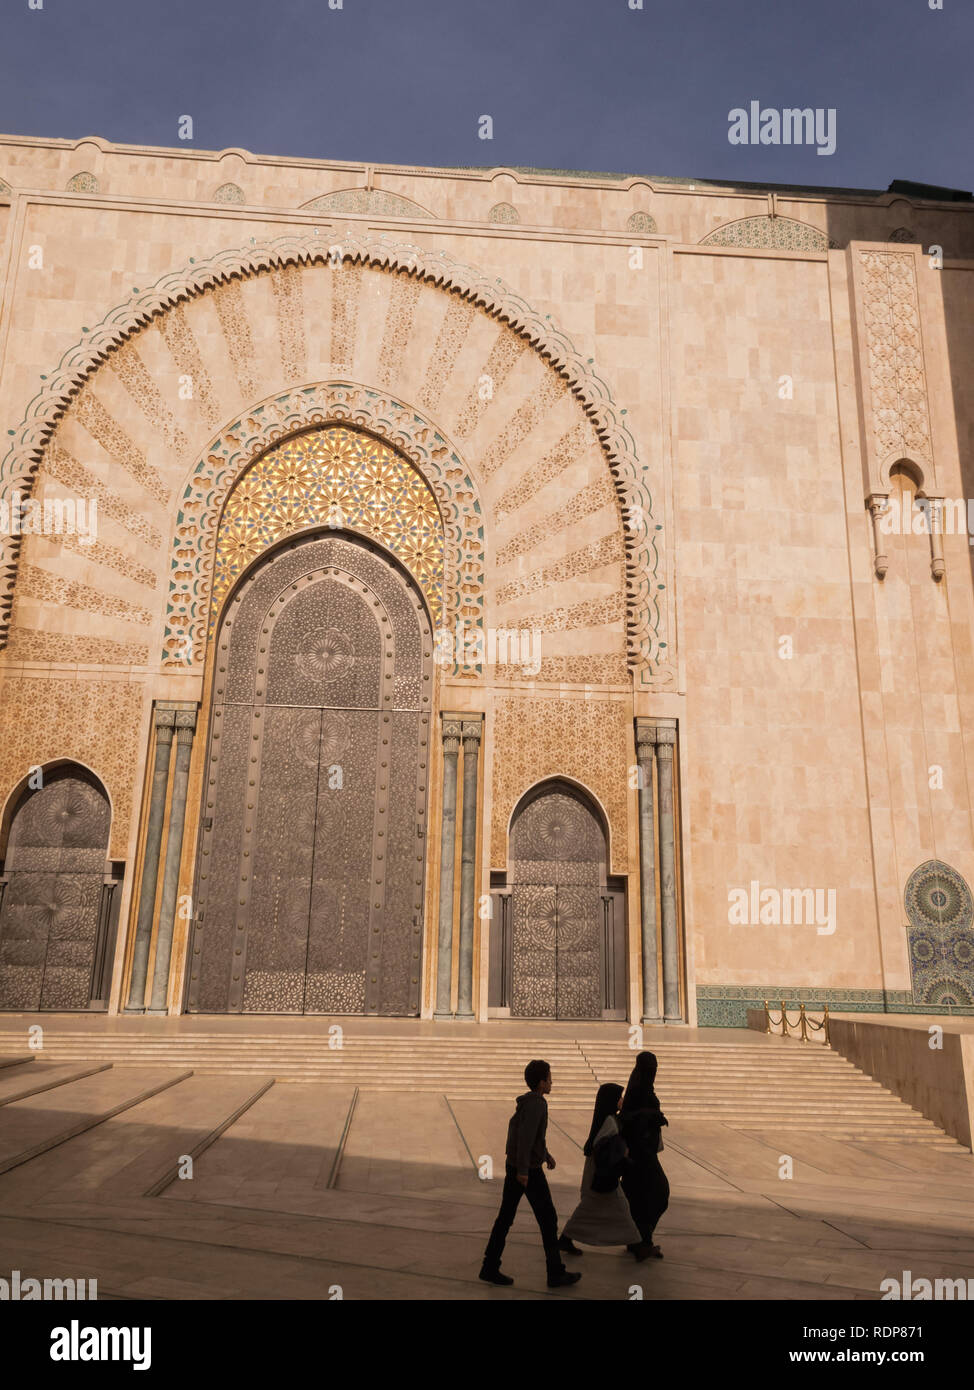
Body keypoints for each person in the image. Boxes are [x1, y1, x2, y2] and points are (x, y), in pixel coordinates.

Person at [480, 1059, 582, 1288]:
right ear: (541, 1082)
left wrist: (545, 1154)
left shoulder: (530, 1102)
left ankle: (489, 1266)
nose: (552, 1081)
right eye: (549, 1078)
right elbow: (526, 1137)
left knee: (505, 1218)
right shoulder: (537, 1104)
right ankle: (555, 1272)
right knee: (548, 1219)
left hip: (518, 1165)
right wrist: (525, 1170)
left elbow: (531, 1136)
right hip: (527, 1172)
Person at [557, 1082, 656, 1260]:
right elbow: (602, 1145)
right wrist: (621, 1152)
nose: (622, 1100)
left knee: (593, 1207)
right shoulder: (610, 1121)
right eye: (619, 1097)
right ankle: (638, 1246)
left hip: (597, 1171)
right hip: (602, 1174)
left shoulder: (607, 1118)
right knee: (619, 1207)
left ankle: (566, 1238)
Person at [619, 1050, 669, 1258]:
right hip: (641, 1155)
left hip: (640, 1154)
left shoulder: (639, 1089)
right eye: (651, 1068)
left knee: (642, 1198)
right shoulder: (640, 1091)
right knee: (658, 1194)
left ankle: (640, 1240)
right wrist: (650, 1116)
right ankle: (642, 1241)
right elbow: (629, 1119)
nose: (653, 1072)